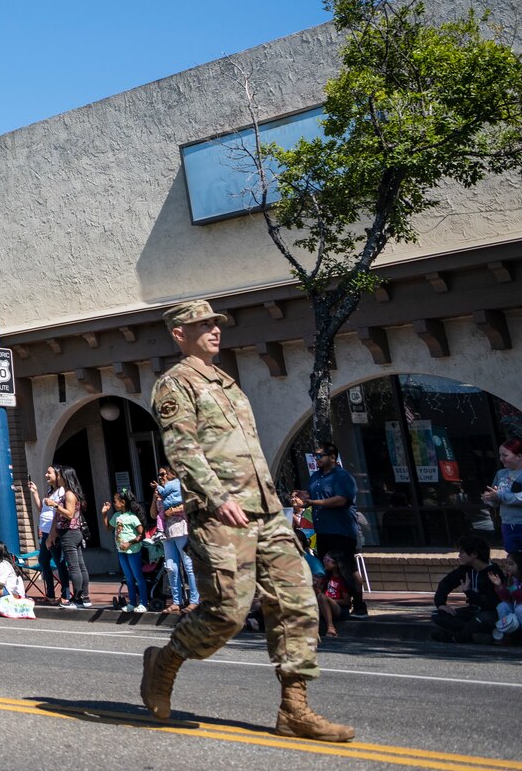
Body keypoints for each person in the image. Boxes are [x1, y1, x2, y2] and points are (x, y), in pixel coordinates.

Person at [139, 299, 352, 742]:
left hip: (266, 511)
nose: (215, 331)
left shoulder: (228, 382)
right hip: (222, 515)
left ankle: (294, 708)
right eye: (203, 325)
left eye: (216, 324)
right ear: (179, 333)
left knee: (297, 602)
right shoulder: (175, 384)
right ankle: (165, 662)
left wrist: (278, 505)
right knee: (228, 614)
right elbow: (183, 451)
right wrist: (216, 498)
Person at [305, 443, 364, 616]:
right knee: (328, 568)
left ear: (332, 457)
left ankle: (360, 605)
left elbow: (340, 500)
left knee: (347, 568)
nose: (317, 459)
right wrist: (304, 496)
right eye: (315, 456)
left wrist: (314, 503)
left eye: (320, 456)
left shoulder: (342, 476)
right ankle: (334, 605)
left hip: (341, 531)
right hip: (322, 530)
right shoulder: (316, 476)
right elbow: (312, 496)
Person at [432, 534, 501, 642]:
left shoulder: (493, 573)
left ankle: (457, 637)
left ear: (474, 554)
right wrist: (441, 604)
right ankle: (475, 635)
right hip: (472, 612)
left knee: (481, 619)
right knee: (438, 615)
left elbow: (491, 603)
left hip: (490, 613)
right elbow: (446, 583)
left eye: (462, 552)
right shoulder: (466, 569)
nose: (459, 555)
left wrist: (469, 592)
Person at [482, 437, 522, 556]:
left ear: (519, 456)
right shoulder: (501, 474)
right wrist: (489, 498)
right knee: (514, 560)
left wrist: (500, 496)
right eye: (500, 455)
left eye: (505, 455)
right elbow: (496, 497)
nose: (501, 459)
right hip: (507, 524)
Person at [153, 466, 198, 613]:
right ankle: (176, 601)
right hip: (167, 533)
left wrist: (174, 510)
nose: (161, 477)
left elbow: (192, 504)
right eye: (160, 475)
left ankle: (194, 600)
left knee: (188, 566)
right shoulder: (162, 492)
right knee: (171, 568)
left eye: (163, 474)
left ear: (171, 474)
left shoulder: (180, 487)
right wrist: (155, 498)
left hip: (181, 529)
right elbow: (154, 514)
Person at [46, 466, 91, 607]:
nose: (57, 478)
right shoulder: (70, 493)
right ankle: (84, 597)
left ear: (65, 477)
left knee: (74, 566)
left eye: (59, 476)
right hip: (73, 533)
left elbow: (69, 514)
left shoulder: (69, 494)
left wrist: (55, 505)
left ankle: (78, 598)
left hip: (69, 533)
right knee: (80, 566)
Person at [105, 492, 149, 612]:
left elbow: (142, 534)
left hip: (133, 551)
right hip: (121, 551)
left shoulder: (132, 517)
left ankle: (143, 603)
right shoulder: (116, 516)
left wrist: (130, 543)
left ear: (123, 503)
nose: (114, 504)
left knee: (138, 577)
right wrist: (104, 514)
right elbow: (109, 528)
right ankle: (132, 603)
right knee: (128, 578)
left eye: (115, 501)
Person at [491, 549, 522, 644]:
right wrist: (500, 586)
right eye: (506, 563)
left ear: (521, 566)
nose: (507, 566)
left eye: (511, 564)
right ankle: (507, 634)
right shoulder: (511, 580)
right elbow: (508, 599)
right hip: (519, 613)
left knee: (520, 609)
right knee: (503, 606)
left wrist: (514, 587)